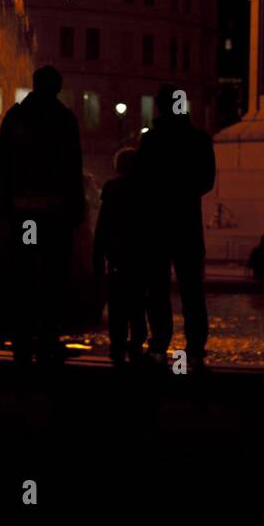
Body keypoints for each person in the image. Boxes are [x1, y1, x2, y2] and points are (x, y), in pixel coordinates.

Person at [0, 65, 85, 367]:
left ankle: (22, 335)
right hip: (54, 211)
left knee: (24, 271)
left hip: (23, 210)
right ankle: (48, 337)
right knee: (53, 273)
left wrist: (7, 201)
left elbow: (3, 162)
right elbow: (72, 165)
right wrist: (76, 205)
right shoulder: (63, 118)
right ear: (56, 87)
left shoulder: (16, 116)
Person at [137, 85, 215, 370]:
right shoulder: (200, 139)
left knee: (157, 289)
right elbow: (207, 181)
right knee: (192, 290)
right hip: (187, 222)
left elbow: (142, 180)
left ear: (160, 107)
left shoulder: (151, 139)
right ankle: (195, 349)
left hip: (157, 223)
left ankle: (159, 344)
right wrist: (184, 192)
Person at [94, 148, 146, 366]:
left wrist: (98, 255)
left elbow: (103, 224)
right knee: (138, 303)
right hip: (139, 254)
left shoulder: (111, 188)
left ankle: (117, 344)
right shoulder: (145, 188)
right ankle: (137, 342)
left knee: (116, 304)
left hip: (117, 254)